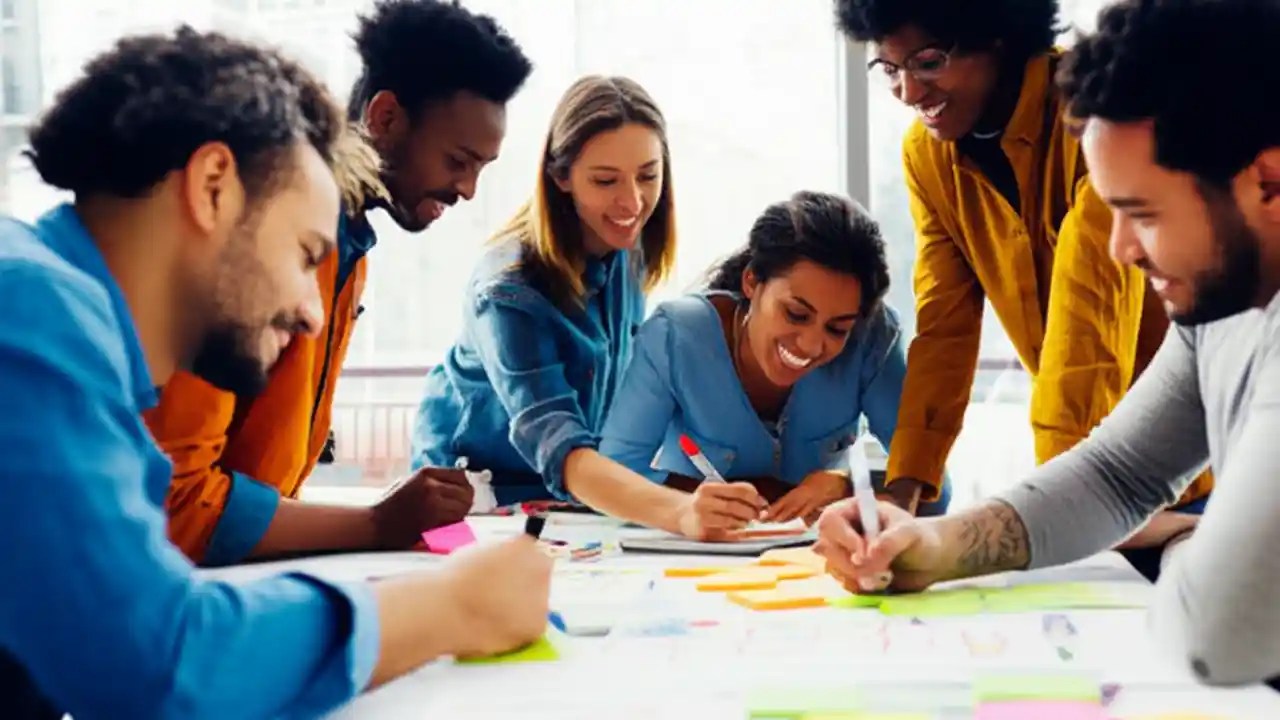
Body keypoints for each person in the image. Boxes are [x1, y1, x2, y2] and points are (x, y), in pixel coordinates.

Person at [0, 27, 550, 720]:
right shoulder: (30, 312)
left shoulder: (61, 324)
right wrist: (452, 605)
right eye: (303, 252)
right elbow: (157, 659)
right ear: (211, 188)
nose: (312, 315)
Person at [816, 0, 1280, 688]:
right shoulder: (1218, 305)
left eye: (1142, 215)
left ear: (1267, 181)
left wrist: (1186, 540)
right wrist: (934, 541)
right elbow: (1118, 472)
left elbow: (1221, 632)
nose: (1124, 248)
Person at [144, 0, 534, 565]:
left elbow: (264, 480)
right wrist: (374, 523)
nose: (468, 189)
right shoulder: (249, 241)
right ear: (384, 118)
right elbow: (178, 505)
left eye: (481, 168)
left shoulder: (353, 257)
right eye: (457, 160)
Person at [832, 0, 1213, 535]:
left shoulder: (1097, 110)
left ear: (995, 37)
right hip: (1088, 483)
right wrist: (903, 489)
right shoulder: (927, 155)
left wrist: (1059, 508)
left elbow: (1089, 320)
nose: (909, 93)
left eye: (929, 62)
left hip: (1183, 473)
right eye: (890, 69)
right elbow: (945, 324)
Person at [412, 75, 763, 539]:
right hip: (469, 502)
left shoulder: (628, 252)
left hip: (573, 499)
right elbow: (563, 447)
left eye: (647, 175)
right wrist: (679, 512)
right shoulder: (506, 293)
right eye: (605, 180)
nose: (633, 201)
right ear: (561, 177)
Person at [599, 191, 950, 526]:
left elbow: (935, 490)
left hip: (818, 563)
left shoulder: (872, 339)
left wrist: (848, 486)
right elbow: (612, 477)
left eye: (837, 329)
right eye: (796, 314)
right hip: (690, 559)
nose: (812, 345)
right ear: (751, 281)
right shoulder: (674, 336)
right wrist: (690, 503)